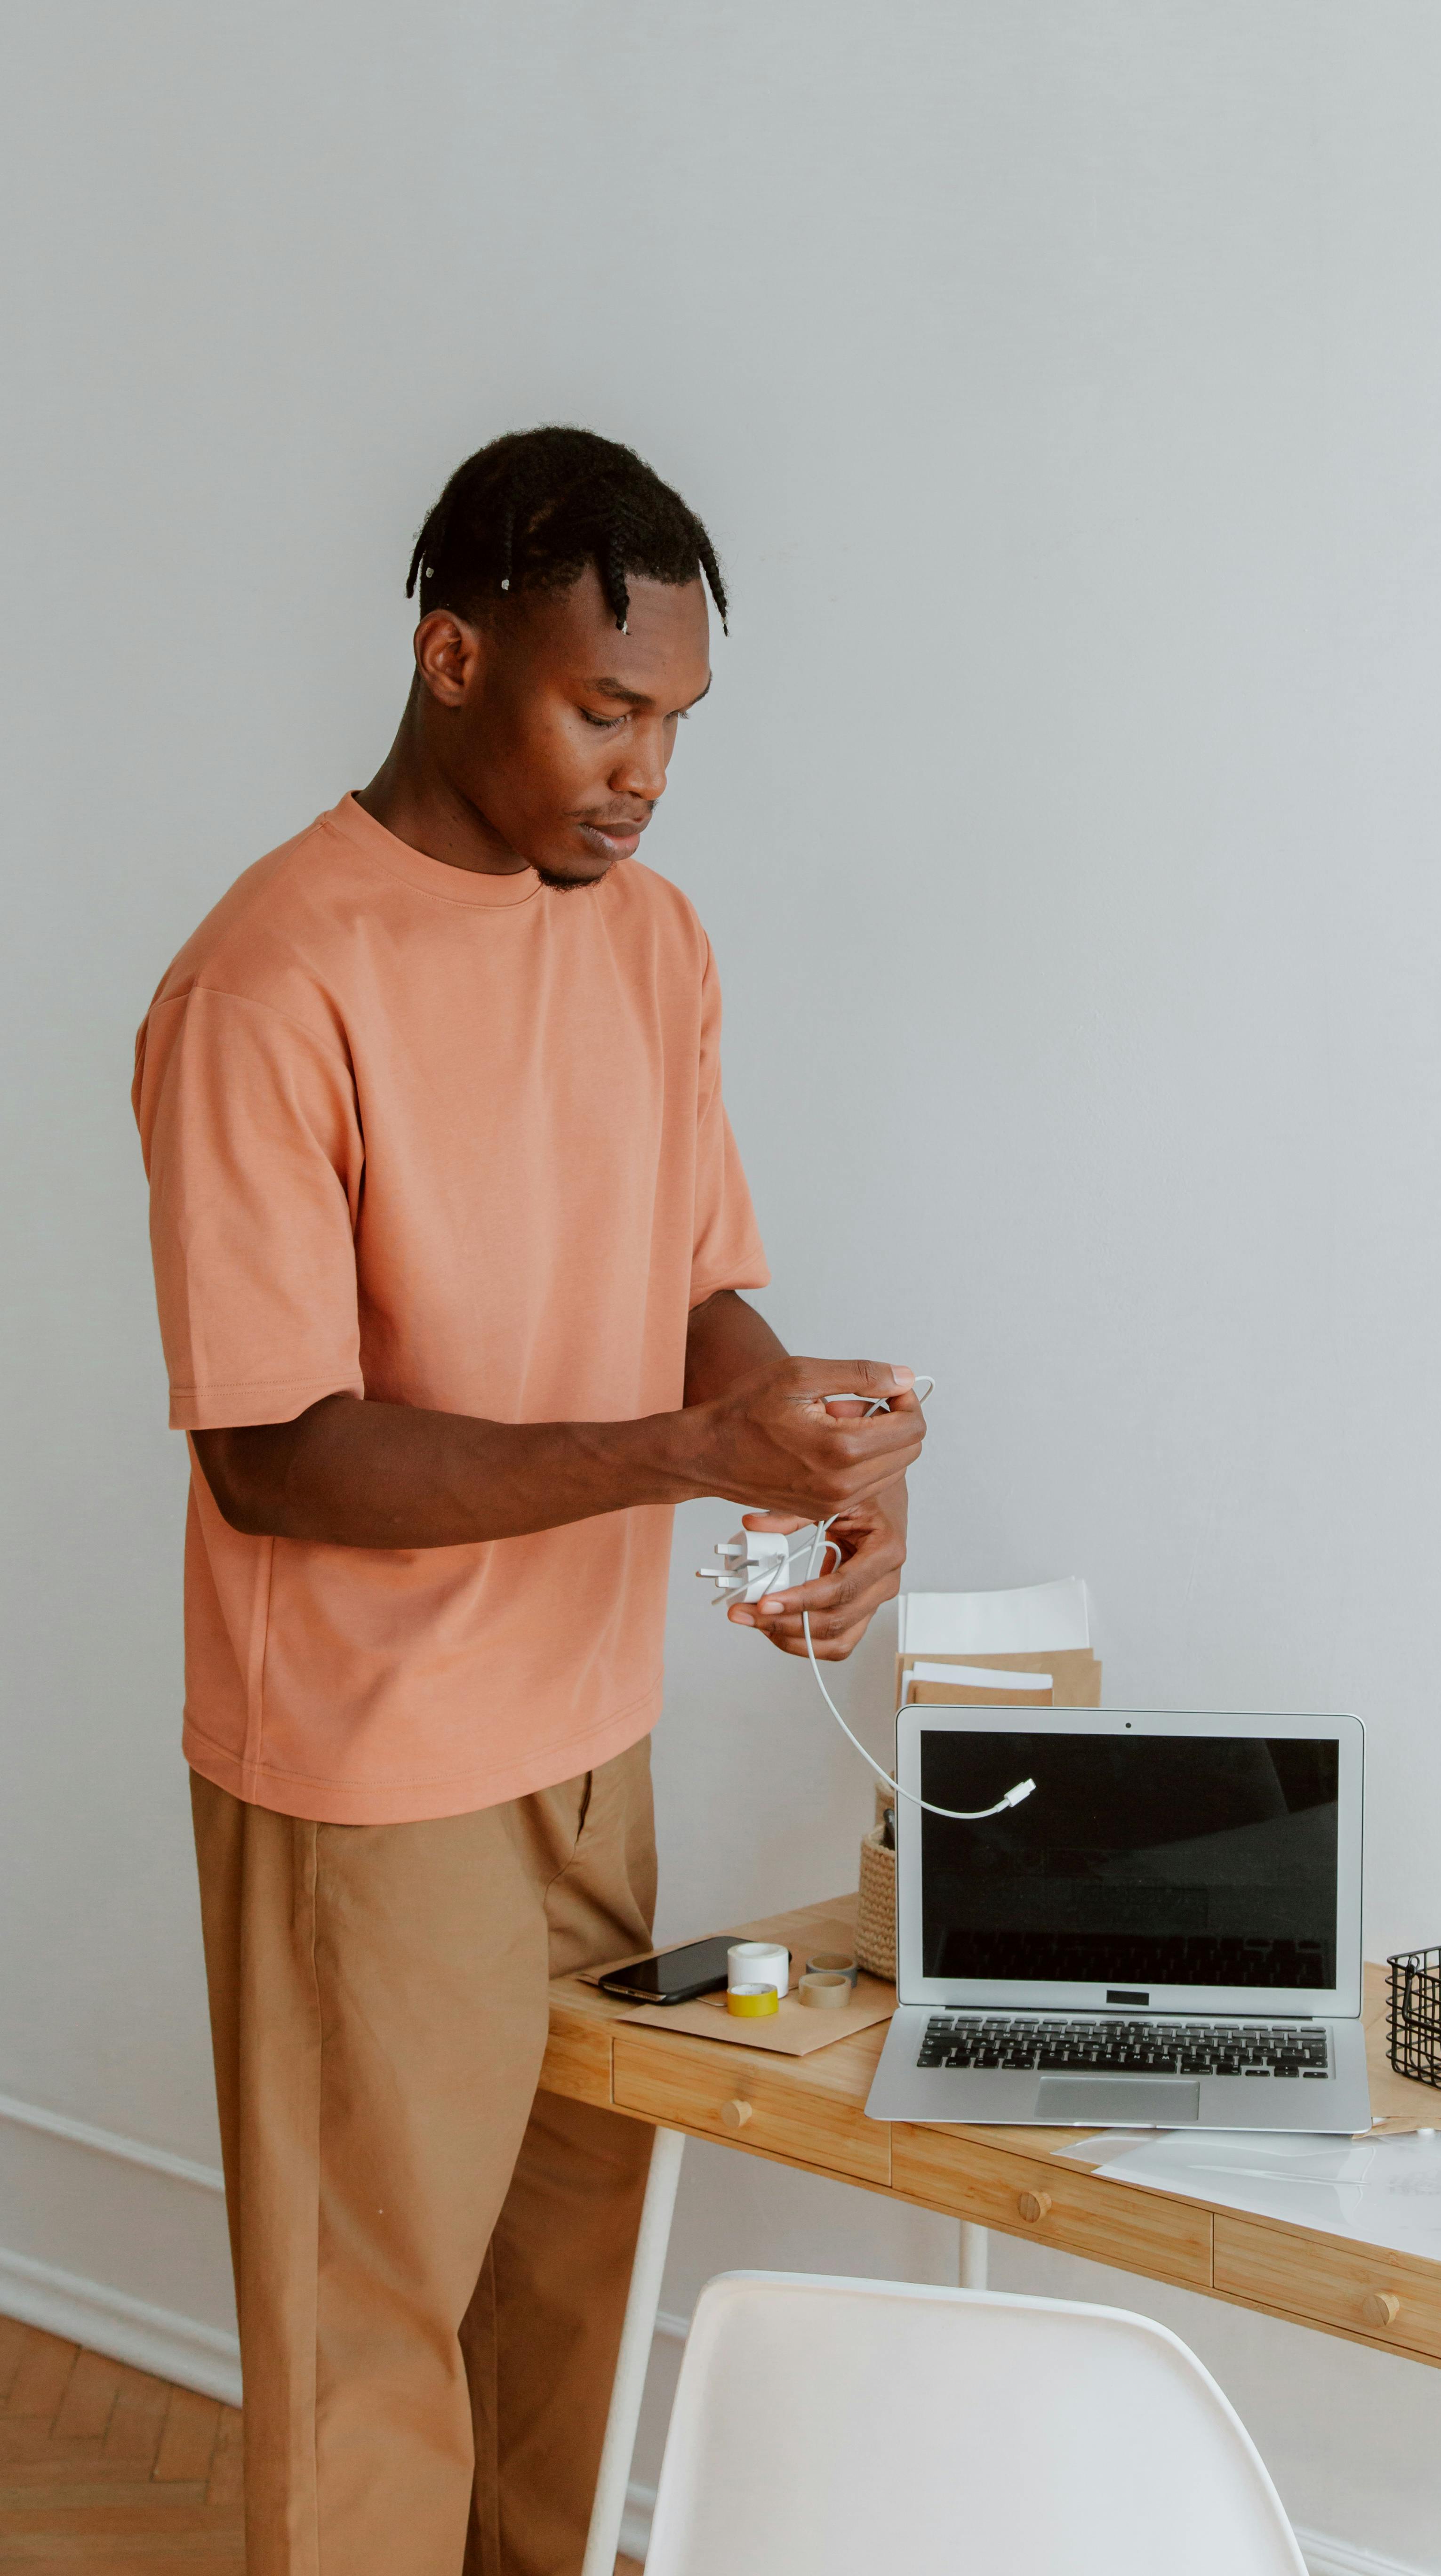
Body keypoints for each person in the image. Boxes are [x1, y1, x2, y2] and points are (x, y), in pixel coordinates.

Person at [132, 425, 925, 2576]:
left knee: (567, 2321)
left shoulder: (651, 942)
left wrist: (811, 1444)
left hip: (590, 1759)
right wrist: (690, 1457)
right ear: (453, 654)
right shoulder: (270, 981)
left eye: (673, 722)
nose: (647, 772)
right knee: (371, 2360)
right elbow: (275, 1450)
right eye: (607, 709)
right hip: (371, 1787)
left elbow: (690, 1288)